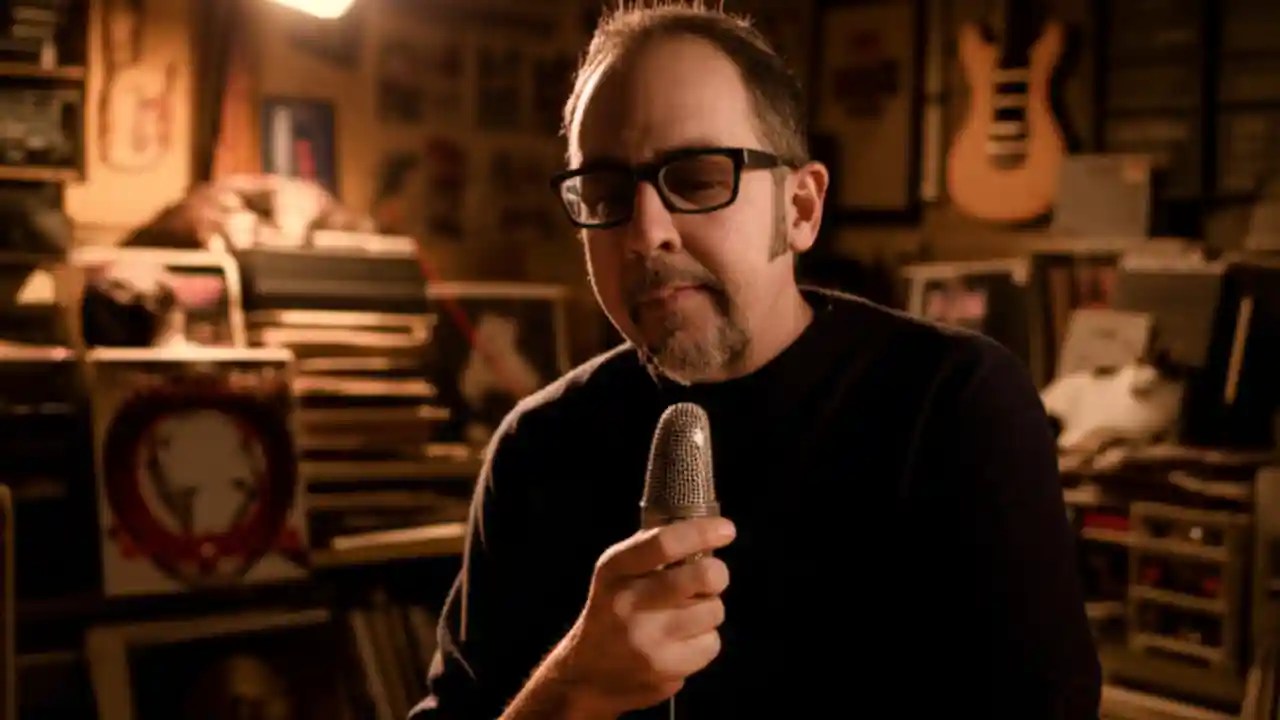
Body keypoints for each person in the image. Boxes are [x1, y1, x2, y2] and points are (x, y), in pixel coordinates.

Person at [411, 3, 1101, 718]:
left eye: (700, 179)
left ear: (800, 208)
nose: (646, 234)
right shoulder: (534, 448)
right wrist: (573, 688)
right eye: (609, 193)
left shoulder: (955, 405)